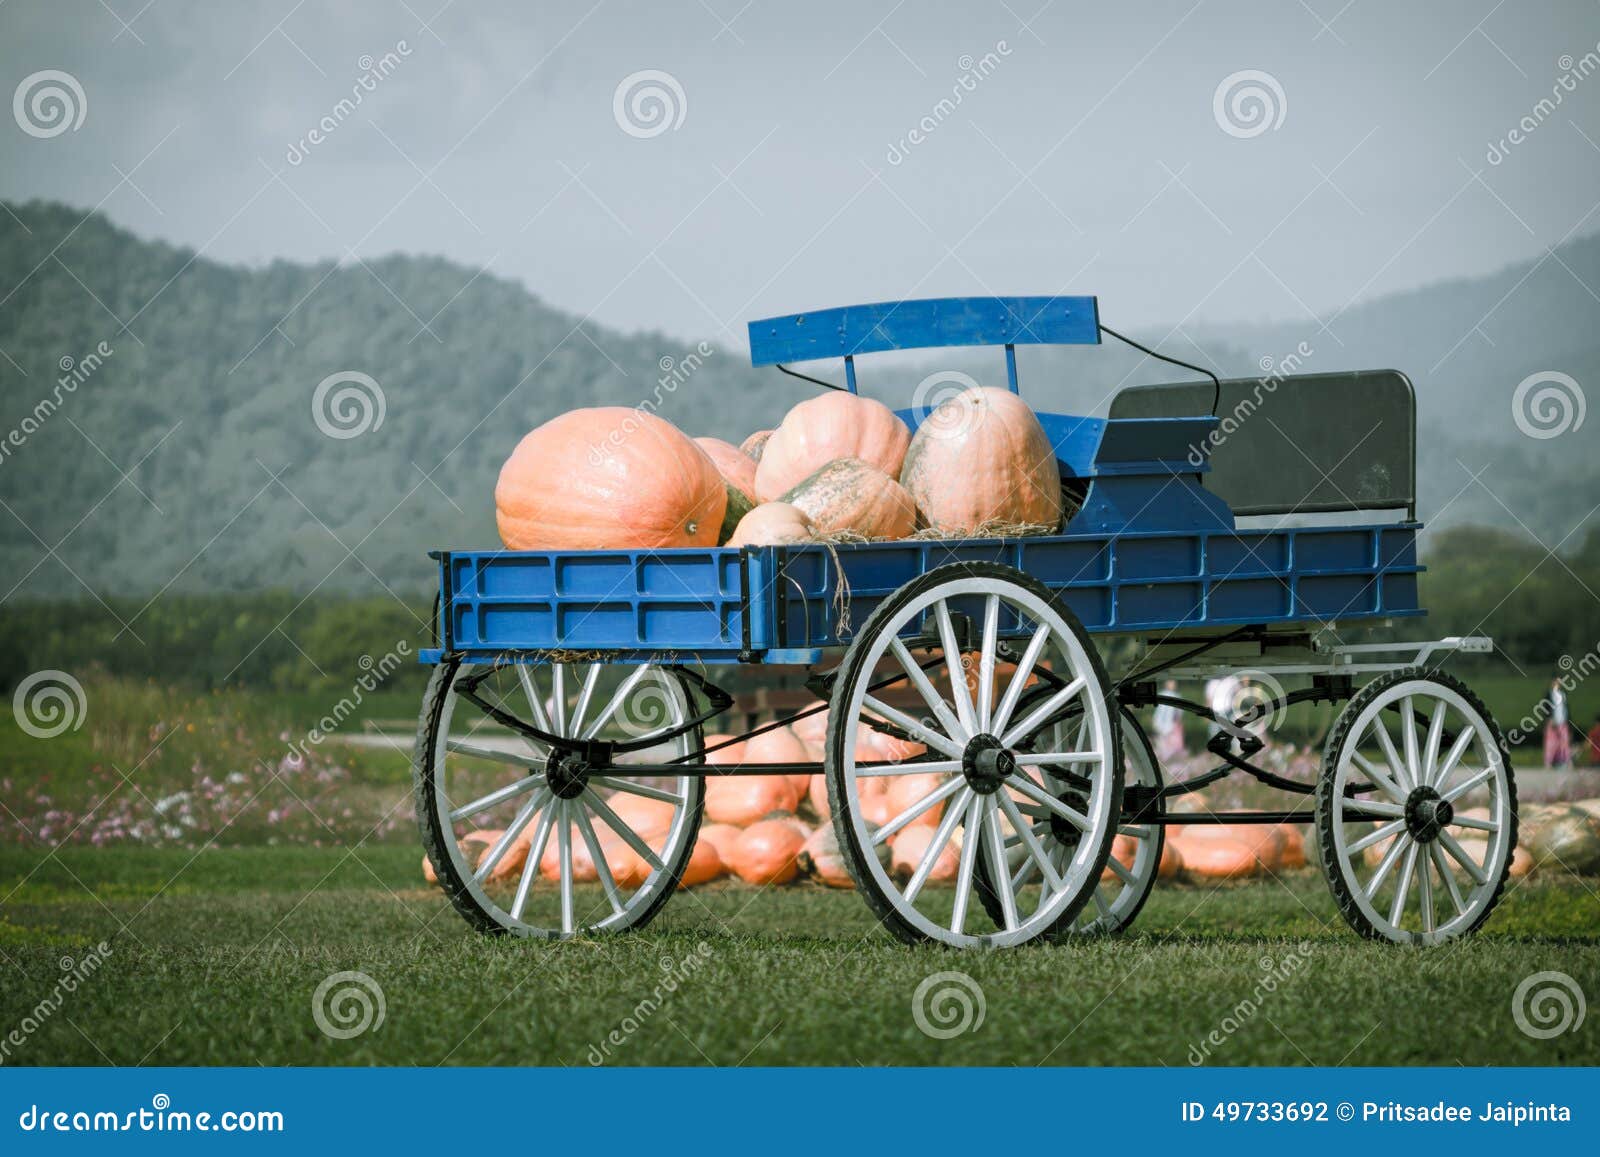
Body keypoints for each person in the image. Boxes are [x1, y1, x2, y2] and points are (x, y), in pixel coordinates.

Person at [1152, 678, 1185, 763]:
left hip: (1171, 724)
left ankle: (1169, 759)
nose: (1173, 685)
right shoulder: (1162, 694)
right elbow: (1158, 711)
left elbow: (1178, 713)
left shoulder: (1177, 696)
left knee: (1171, 743)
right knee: (1162, 743)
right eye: (1171, 683)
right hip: (1162, 723)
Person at [1543, 676, 1571, 770]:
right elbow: (1545, 707)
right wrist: (1549, 719)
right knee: (1550, 743)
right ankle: (1548, 762)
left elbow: (1566, 709)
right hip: (1552, 722)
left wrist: (1567, 721)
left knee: (1564, 743)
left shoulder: (1562, 694)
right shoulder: (1549, 694)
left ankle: (1565, 761)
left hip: (1562, 721)